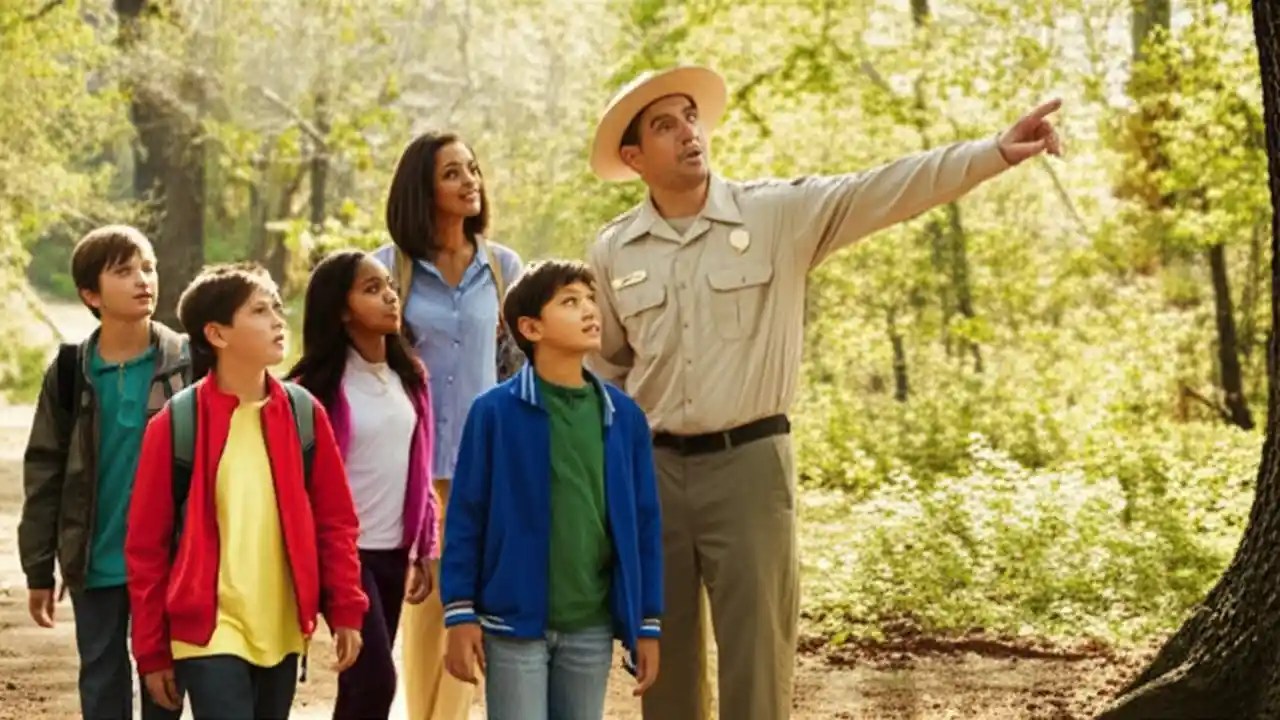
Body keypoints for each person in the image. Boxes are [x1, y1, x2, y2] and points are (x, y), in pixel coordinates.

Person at [585, 65, 1064, 720]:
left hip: (749, 470)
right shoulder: (613, 250)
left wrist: (992, 153)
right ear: (635, 157)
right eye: (664, 126)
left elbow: (885, 189)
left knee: (758, 668)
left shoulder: (777, 214)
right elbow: (607, 368)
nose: (688, 134)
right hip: (654, 475)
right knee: (662, 675)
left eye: (690, 117)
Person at [124, 263, 368, 720]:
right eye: (259, 310)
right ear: (217, 334)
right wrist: (152, 650)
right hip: (207, 629)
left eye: (276, 306)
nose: (278, 319)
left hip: (280, 626)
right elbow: (146, 548)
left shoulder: (303, 414)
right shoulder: (176, 425)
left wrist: (347, 608)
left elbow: (336, 522)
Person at [440, 259, 663, 720]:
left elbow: (644, 524)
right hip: (512, 624)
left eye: (590, 300)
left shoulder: (624, 418)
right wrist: (459, 612)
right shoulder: (494, 413)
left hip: (591, 625)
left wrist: (646, 623)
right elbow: (466, 516)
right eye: (569, 301)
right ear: (531, 327)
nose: (589, 311)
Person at [375, 131, 523, 719]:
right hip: (417, 469)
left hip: (489, 465)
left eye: (473, 170)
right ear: (423, 189)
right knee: (428, 612)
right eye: (452, 174)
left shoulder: (504, 267)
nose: (470, 182)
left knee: (477, 609)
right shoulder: (390, 270)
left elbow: (519, 366)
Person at [18, 224, 191, 720]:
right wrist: (38, 567)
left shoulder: (184, 361)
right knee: (101, 678)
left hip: (169, 559)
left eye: (148, 267)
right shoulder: (72, 370)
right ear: (90, 294)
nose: (143, 280)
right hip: (95, 559)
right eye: (125, 271)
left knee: (166, 685)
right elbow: (45, 470)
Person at [287, 249, 440, 720]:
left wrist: (426, 546)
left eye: (389, 286)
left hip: (395, 550)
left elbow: (422, 467)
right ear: (341, 309)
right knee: (377, 679)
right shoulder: (312, 388)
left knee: (361, 689)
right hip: (344, 555)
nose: (390, 297)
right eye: (372, 290)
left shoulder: (409, 378)